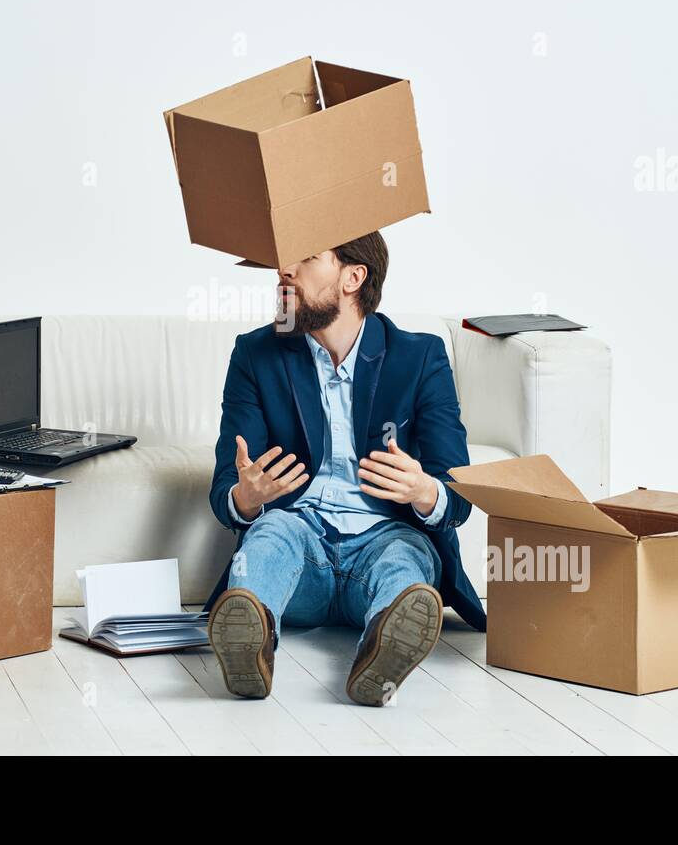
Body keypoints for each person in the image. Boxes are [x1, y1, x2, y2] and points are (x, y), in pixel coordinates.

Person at [204, 231, 486, 707]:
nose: (283, 270)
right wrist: (245, 499)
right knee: (270, 534)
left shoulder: (419, 357)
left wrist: (424, 491)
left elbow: (459, 496)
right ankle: (252, 640)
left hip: (384, 538)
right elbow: (226, 487)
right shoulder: (256, 354)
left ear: (354, 277)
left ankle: (382, 647)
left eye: (306, 257)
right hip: (300, 546)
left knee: (406, 557)